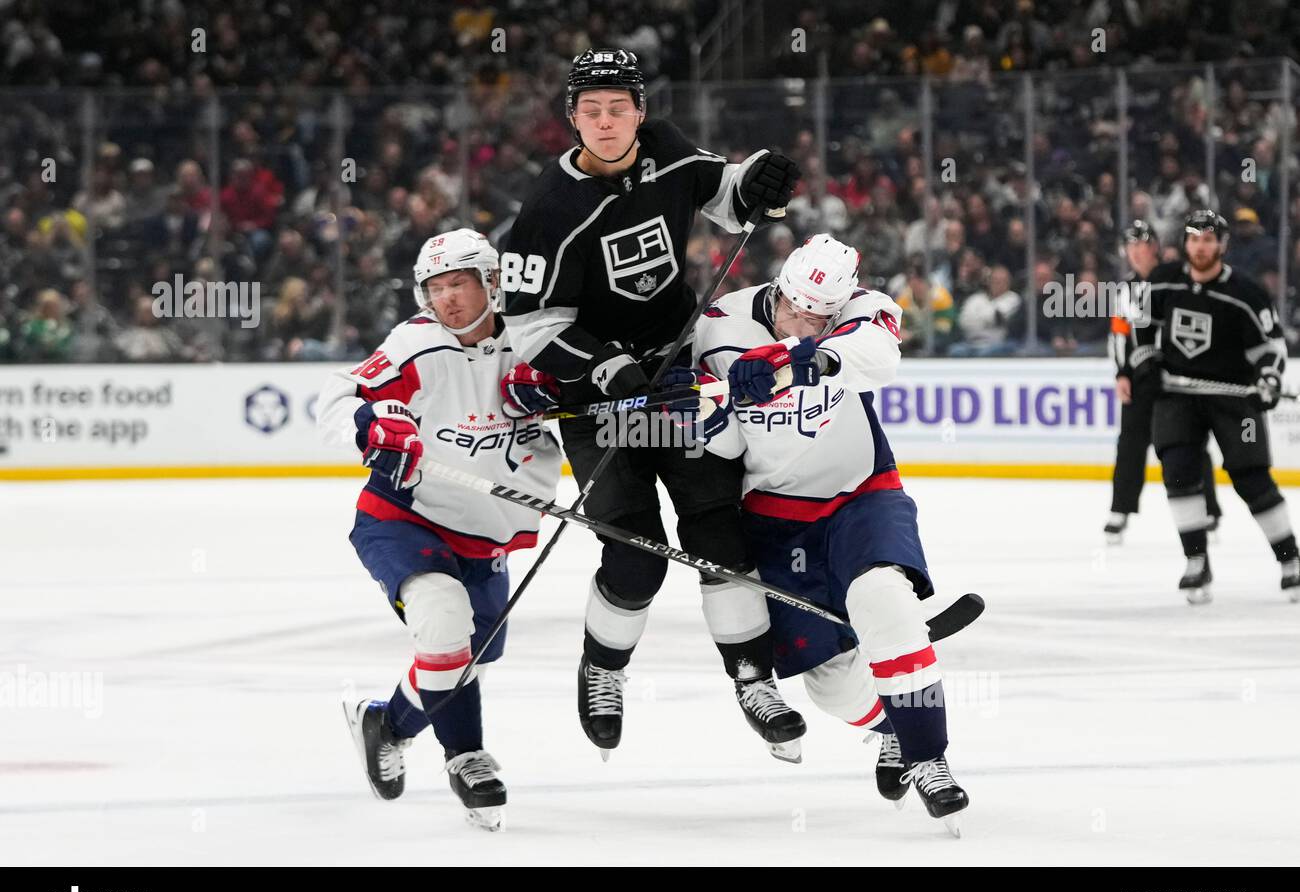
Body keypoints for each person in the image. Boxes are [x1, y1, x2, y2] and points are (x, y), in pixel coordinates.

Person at [500, 49, 805, 759]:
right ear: (571, 119)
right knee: (637, 555)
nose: (605, 122)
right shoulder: (547, 211)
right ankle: (602, 671)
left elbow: (726, 194)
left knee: (715, 528)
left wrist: (761, 178)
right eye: (590, 110)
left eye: (618, 107)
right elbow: (530, 327)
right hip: (594, 397)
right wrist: (606, 367)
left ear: (640, 110)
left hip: (674, 376)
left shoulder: (665, 147)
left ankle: (753, 677)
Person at [689, 234, 969, 834]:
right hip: (776, 514)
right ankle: (889, 726)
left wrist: (797, 357)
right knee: (833, 685)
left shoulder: (866, 313)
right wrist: (704, 415)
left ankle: (930, 758)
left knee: (882, 601)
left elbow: (878, 355)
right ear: (780, 285)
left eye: (819, 313)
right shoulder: (719, 325)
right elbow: (727, 445)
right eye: (794, 306)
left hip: (860, 493)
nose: (803, 318)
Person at [317, 228, 563, 829]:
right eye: (435, 287)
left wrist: (558, 393)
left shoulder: (534, 341)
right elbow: (339, 398)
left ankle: (387, 725)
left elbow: (592, 404)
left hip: (485, 529)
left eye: (459, 283)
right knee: (445, 620)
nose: (447, 299)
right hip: (403, 516)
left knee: (468, 653)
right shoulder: (416, 345)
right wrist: (373, 424)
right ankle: (467, 758)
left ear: (492, 283)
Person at [1131, 210, 1298, 603]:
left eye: (1208, 240)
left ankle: (1290, 560)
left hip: (1233, 398)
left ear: (1221, 245)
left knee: (1252, 478)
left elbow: (1270, 348)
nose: (1200, 247)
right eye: (1193, 239)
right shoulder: (1162, 282)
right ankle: (1196, 561)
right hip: (1177, 396)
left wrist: (1268, 381)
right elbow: (1142, 329)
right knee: (1179, 474)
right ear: (1186, 243)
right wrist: (1147, 364)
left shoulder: (1246, 293)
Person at [1105, 220, 1220, 543]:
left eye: (1142, 246)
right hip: (1141, 380)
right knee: (1130, 444)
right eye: (1131, 248)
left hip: (1175, 376)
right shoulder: (1124, 291)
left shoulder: (1174, 280)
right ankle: (1120, 509)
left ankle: (1208, 508)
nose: (1137, 253)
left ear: (1154, 247)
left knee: (1189, 442)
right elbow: (1118, 336)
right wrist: (1121, 373)